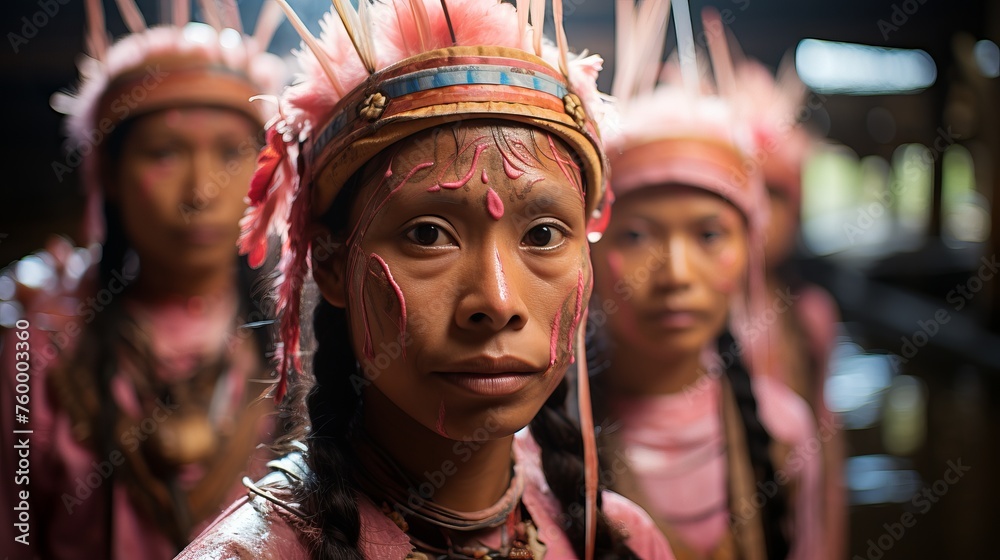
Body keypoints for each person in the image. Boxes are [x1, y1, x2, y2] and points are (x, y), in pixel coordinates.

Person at [176, 1, 675, 559]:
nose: (497, 301)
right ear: (332, 263)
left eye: (542, 235)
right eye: (429, 235)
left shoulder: (627, 542)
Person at [0, 2, 287, 558]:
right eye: (164, 153)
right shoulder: (33, 351)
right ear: (107, 171)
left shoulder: (305, 348)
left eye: (231, 153)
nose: (201, 191)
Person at [584, 3, 822, 559]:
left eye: (710, 237)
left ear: (748, 251)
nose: (677, 275)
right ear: (589, 256)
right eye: (637, 237)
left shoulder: (784, 427)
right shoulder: (537, 444)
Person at [734, 56, 846, 560]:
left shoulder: (812, 316)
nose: (759, 212)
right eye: (746, 191)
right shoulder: (686, 317)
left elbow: (828, 452)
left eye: (776, 194)